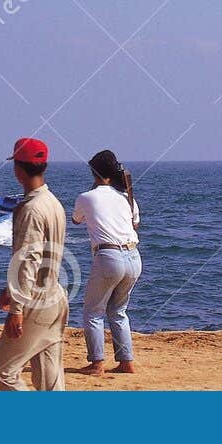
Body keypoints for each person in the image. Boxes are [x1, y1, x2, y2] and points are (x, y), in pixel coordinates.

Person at [0, 137, 68, 391]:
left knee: (3, 371)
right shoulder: (53, 203)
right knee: (49, 376)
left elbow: (28, 260)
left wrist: (16, 309)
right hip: (55, 295)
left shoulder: (32, 209)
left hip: (36, 300)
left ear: (18, 169)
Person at [71, 149, 141, 376]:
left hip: (108, 257)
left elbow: (76, 220)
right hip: (133, 257)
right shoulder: (127, 197)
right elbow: (135, 223)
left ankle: (97, 363)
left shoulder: (86, 197)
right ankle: (126, 362)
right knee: (118, 311)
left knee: (93, 312)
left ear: (93, 172)